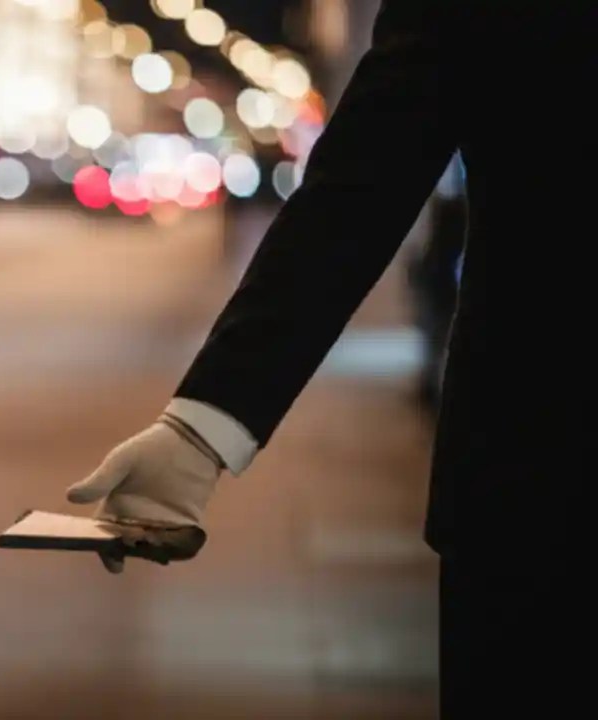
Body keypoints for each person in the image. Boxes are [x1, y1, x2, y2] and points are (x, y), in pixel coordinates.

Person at [64, 1, 592, 716]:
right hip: (536, 501)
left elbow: (363, 183)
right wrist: (203, 428)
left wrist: (205, 427)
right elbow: (364, 182)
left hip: (537, 480)